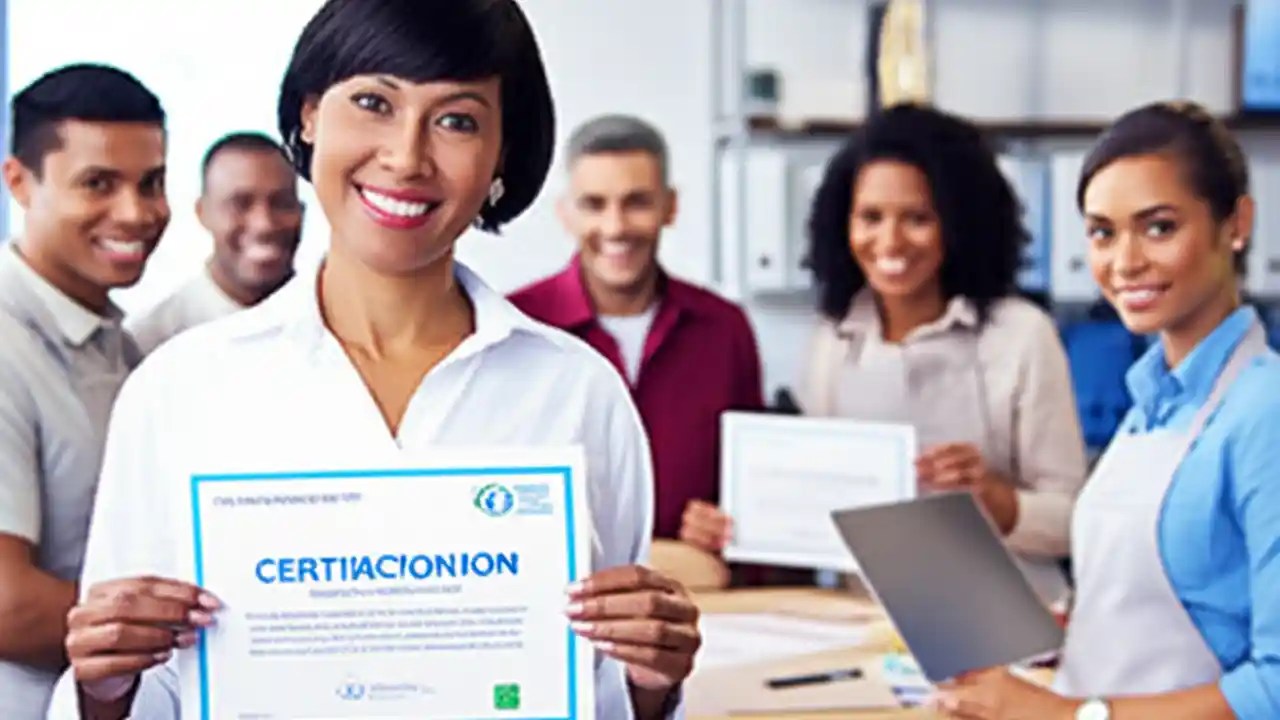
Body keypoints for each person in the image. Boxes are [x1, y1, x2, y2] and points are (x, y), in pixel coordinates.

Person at [51, 2, 698, 719]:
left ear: (502, 155)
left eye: (457, 120)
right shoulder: (179, 391)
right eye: (372, 102)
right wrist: (102, 687)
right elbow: (145, 695)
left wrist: (651, 681)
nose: (406, 156)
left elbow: (594, 694)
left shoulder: (578, 392)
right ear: (307, 115)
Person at [934, 102, 1280, 720]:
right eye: (1102, 232)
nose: (1125, 262)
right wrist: (1067, 634)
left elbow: (1274, 688)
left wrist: (1063, 715)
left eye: (1159, 227)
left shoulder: (1265, 413)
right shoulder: (1154, 402)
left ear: (1237, 223)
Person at [799, 104, 1087, 603]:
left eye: (917, 218)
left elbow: (1075, 520)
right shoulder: (835, 337)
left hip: (1008, 620)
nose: (889, 241)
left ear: (959, 223)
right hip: (868, 622)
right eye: (870, 217)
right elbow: (814, 502)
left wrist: (1001, 505)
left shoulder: (1020, 336)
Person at [510, 114, 764, 556]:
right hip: (560, 596)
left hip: (702, 597)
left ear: (671, 206)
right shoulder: (516, 329)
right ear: (565, 213)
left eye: (637, 202)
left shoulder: (724, 329)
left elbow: (757, 486)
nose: (616, 227)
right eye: (594, 204)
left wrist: (731, 524)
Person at [0, 64, 169, 719]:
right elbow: (7, 606)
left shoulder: (120, 344)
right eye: (98, 183)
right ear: (19, 182)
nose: (136, 213)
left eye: (151, 182)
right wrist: (217, 631)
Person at [127, 132, 303, 355]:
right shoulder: (152, 341)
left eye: (282, 203)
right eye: (240, 204)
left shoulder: (339, 321)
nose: (264, 224)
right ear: (203, 213)